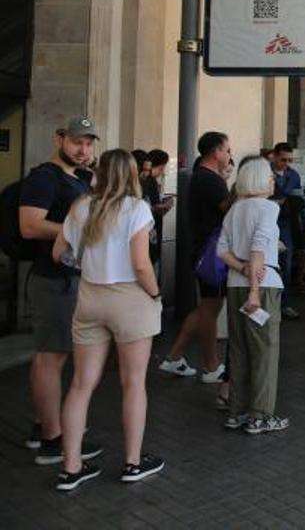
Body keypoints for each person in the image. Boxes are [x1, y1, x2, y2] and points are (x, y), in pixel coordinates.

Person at [52, 149, 163, 490]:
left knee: (81, 385)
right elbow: (142, 264)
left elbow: (59, 253)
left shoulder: (81, 206)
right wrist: (156, 294)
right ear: (131, 174)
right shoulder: (137, 209)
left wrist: (87, 266)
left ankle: (71, 468)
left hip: (89, 296)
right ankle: (132, 462)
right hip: (129, 297)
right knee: (133, 383)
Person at [18, 116, 101, 462]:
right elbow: (30, 226)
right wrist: (76, 231)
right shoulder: (43, 178)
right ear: (60, 139)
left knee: (52, 355)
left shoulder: (77, 179)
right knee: (51, 358)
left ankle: (44, 426)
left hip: (66, 279)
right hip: (52, 280)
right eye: (77, 142)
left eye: (88, 144)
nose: (83, 150)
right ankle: (53, 440)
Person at [217, 157, 289, 435]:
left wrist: (242, 269)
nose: (273, 180)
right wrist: (255, 289)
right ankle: (260, 415)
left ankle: (237, 410)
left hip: (234, 284)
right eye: (270, 176)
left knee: (239, 349)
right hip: (263, 285)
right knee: (265, 350)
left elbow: (221, 250)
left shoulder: (234, 209)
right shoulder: (268, 208)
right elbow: (259, 246)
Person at [160, 131, 231, 382]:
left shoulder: (205, 177)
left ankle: (174, 356)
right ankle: (211, 367)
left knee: (206, 307)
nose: (229, 155)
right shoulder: (210, 180)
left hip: (204, 250)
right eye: (227, 150)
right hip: (211, 253)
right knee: (211, 308)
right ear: (216, 152)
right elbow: (229, 210)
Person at [269, 142, 302, 319]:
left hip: (285, 223)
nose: (286, 163)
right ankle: (271, 304)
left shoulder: (294, 175)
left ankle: (284, 304)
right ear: (274, 156)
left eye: (290, 160)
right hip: (268, 223)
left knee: (286, 264)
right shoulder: (265, 173)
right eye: (283, 159)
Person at [142, 149, 174, 273]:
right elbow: (148, 206)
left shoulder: (153, 182)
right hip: (149, 236)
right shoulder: (146, 182)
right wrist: (161, 207)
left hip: (154, 233)